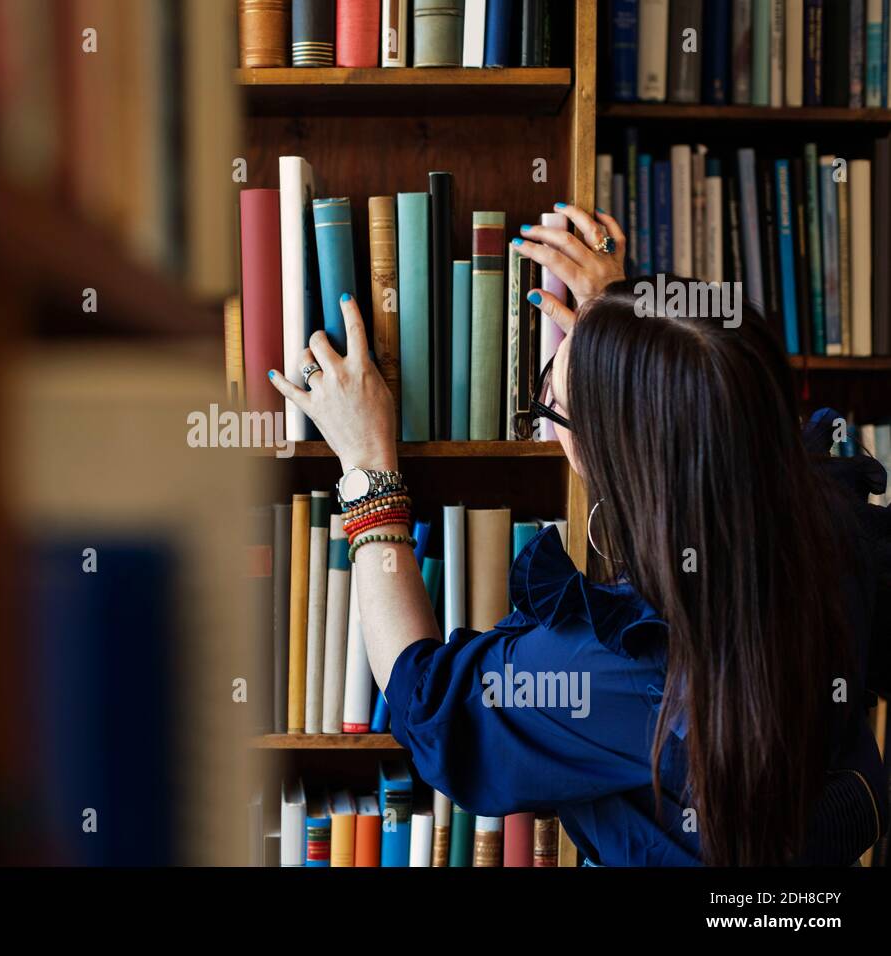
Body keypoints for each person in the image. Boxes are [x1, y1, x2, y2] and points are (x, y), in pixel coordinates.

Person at [268, 205, 888, 866]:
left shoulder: (605, 673)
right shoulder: (838, 522)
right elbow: (710, 411)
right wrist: (627, 333)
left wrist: (369, 469)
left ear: (613, 453)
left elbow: (427, 704)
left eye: (549, 402)